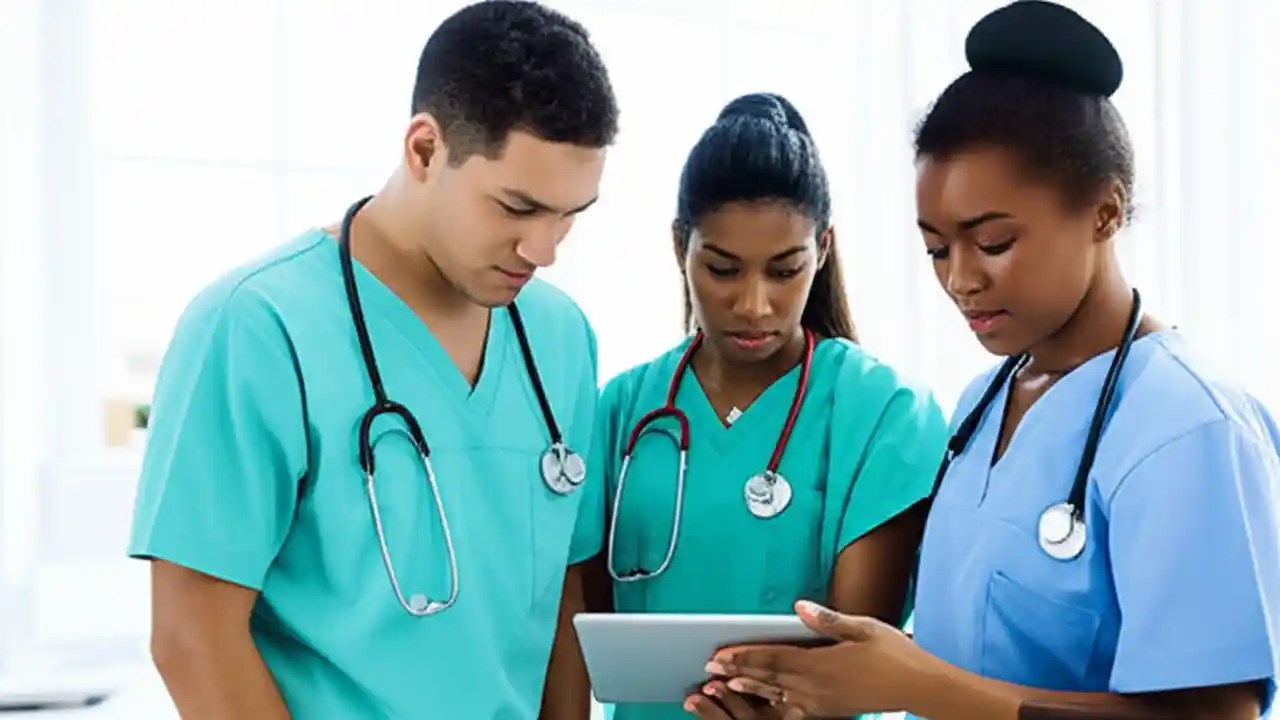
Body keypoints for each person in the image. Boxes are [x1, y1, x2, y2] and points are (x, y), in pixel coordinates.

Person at [702, 2, 1280, 719]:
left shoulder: (1188, 428)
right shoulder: (982, 403)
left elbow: (1214, 716)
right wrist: (824, 691)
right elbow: (970, 655)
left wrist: (917, 686)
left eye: (995, 242)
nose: (960, 280)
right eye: (937, 248)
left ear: (1105, 212)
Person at [126, 2, 618, 717]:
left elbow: (564, 599)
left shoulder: (561, 337)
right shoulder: (257, 327)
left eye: (571, 214)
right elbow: (190, 634)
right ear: (424, 150)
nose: (544, 251)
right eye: (516, 207)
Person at [582, 92, 950, 720]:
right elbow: (585, 625)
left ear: (823, 250)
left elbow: (851, 659)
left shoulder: (884, 413)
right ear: (681, 249)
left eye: (785, 271)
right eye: (723, 269)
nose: (754, 305)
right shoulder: (623, 408)